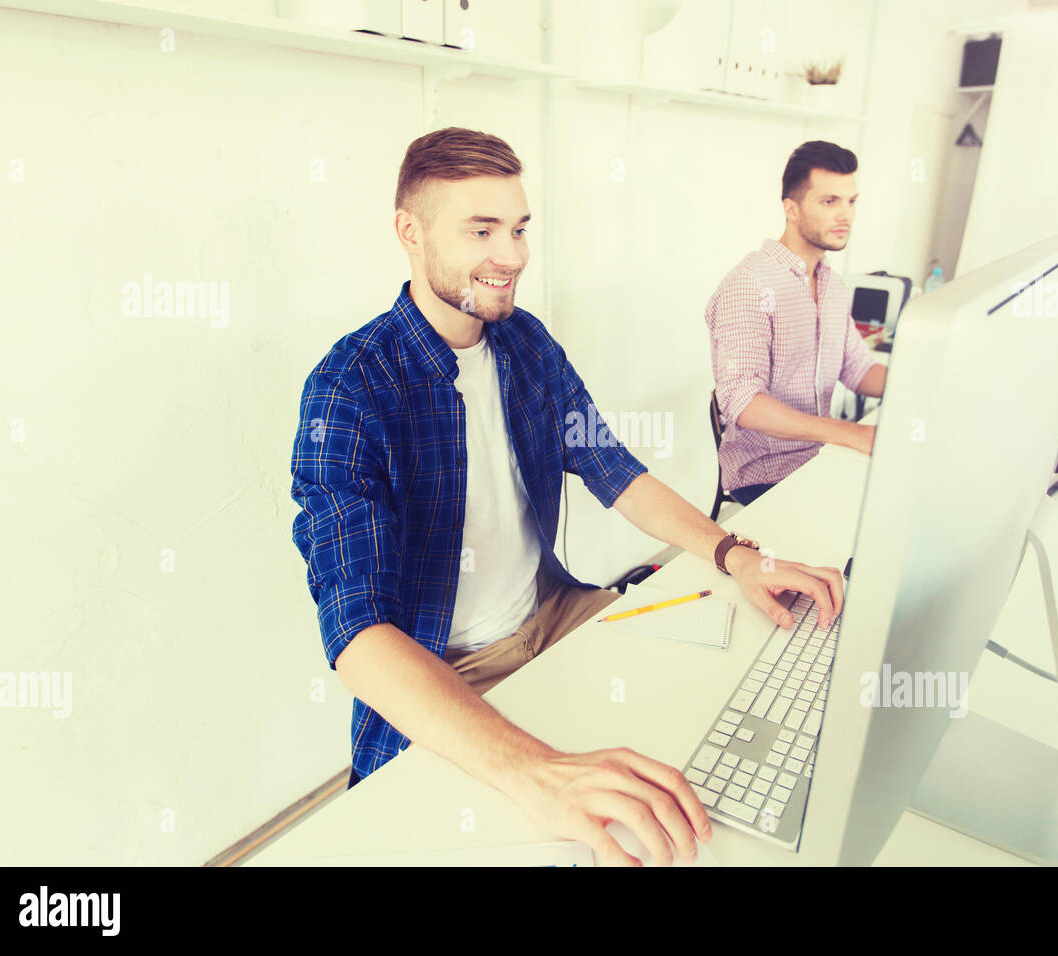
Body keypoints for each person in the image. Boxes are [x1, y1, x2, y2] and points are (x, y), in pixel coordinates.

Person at [290, 127, 847, 866]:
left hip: (554, 614)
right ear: (410, 233)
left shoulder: (525, 343)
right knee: (574, 833)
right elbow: (357, 640)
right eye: (482, 230)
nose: (514, 256)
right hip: (446, 665)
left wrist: (736, 553)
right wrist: (536, 773)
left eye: (519, 229)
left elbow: (616, 471)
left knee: (724, 701)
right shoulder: (350, 387)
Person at [705, 140, 886, 506]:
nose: (845, 216)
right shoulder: (750, 283)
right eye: (829, 201)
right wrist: (849, 433)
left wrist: (928, 384)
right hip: (766, 472)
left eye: (851, 201)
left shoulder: (832, 285)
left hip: (823, 457)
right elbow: (745, 404)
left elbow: (858, 368)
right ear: (791, 209)